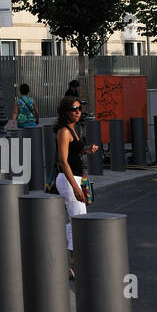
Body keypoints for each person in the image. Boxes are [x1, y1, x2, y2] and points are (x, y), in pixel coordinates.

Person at [54, 97, 99, 277]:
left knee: (76, 220)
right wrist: (75, 187)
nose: (78, 111)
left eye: (80, 108)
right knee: (78, 220)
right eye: (74, 109)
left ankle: (72, 260)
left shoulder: (74, 129)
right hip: (68, 179)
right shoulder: (64, 132)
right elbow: (63, 162)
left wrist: (86, 149)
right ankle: (74, 265)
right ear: (66, 112)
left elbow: (74, 152)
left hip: (76, 178)